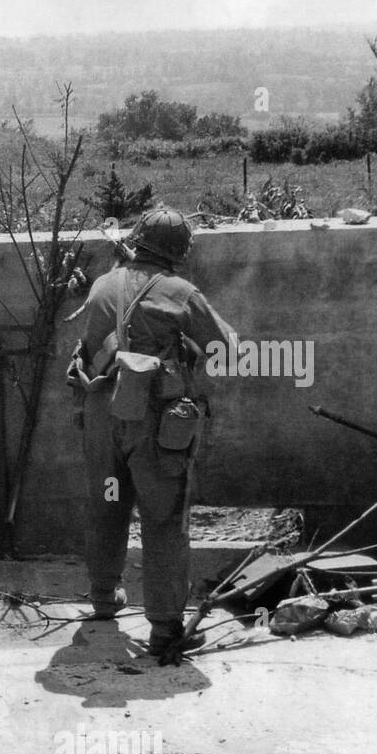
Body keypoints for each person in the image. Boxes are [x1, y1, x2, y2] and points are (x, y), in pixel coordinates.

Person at [66, 207, 237, 658]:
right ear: (180, 252)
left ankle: (104, 599)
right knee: (163, 518)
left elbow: (88, 349)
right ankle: (164, 628)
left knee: (105, 505)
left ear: (136, 239)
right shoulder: (180, 292)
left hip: (102, 414)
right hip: (156, 422)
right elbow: (228, 350)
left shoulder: (103, 284)